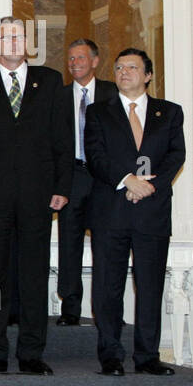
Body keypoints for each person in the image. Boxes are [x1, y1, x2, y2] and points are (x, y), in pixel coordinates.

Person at [0, 17, 72, 374]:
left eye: (18, 36)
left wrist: (62, 187)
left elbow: (63, 140)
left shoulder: (51, 81)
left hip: (39, 197)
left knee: (34, 275)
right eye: (4, 37)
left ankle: (31, 352)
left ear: (27, 43)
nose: (11, 42)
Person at [85, 48, 184, 376]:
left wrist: (150, 185)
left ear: (148, 75)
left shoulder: (169, 113)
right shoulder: (98, 112)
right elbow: (95, 156)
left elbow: (175, 154)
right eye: (119, 67)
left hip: (151, 214)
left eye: (132, 67)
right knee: (108, 287)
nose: (124, 72)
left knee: (150, 286)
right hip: (110, 213)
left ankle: (147, 356)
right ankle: (111, 355)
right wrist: (127, 179)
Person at [57, 38, 117, 327]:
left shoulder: (112, 93)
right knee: (70, 242)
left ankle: (104, 310)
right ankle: (70, 309)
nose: (75, 63)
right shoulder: (59, 95)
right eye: (70, 59)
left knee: (106, 243)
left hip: (106, 178)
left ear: (95, 61)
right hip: (72, 176)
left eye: (80, 58)